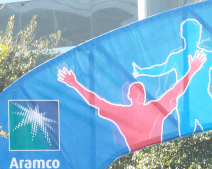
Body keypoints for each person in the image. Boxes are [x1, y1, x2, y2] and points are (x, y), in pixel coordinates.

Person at [57, 52, 204, 152]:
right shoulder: (124, 112)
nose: (140, 96)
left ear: (145, 96)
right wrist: (74, 84)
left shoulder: (151, 109)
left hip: (155, 156)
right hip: (136, 159)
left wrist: (192, 71)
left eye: (142, 94)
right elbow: (96, 102)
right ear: (130, 96)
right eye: (136, 93)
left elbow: (175, 91)